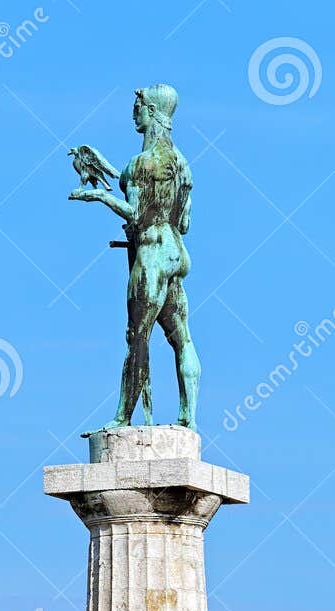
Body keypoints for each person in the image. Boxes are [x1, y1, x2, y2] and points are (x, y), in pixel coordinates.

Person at [70, 84, 201, 429]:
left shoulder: (140, 164)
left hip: (151, 255)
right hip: (175, 252)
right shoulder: (184, 165)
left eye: (138, 105)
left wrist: (97, 195)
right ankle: (189, 419)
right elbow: (185, 223)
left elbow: (136, 214)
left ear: (154, 111)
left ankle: (121, 418)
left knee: (137, 335)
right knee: (182, 338)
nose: (134, 112)